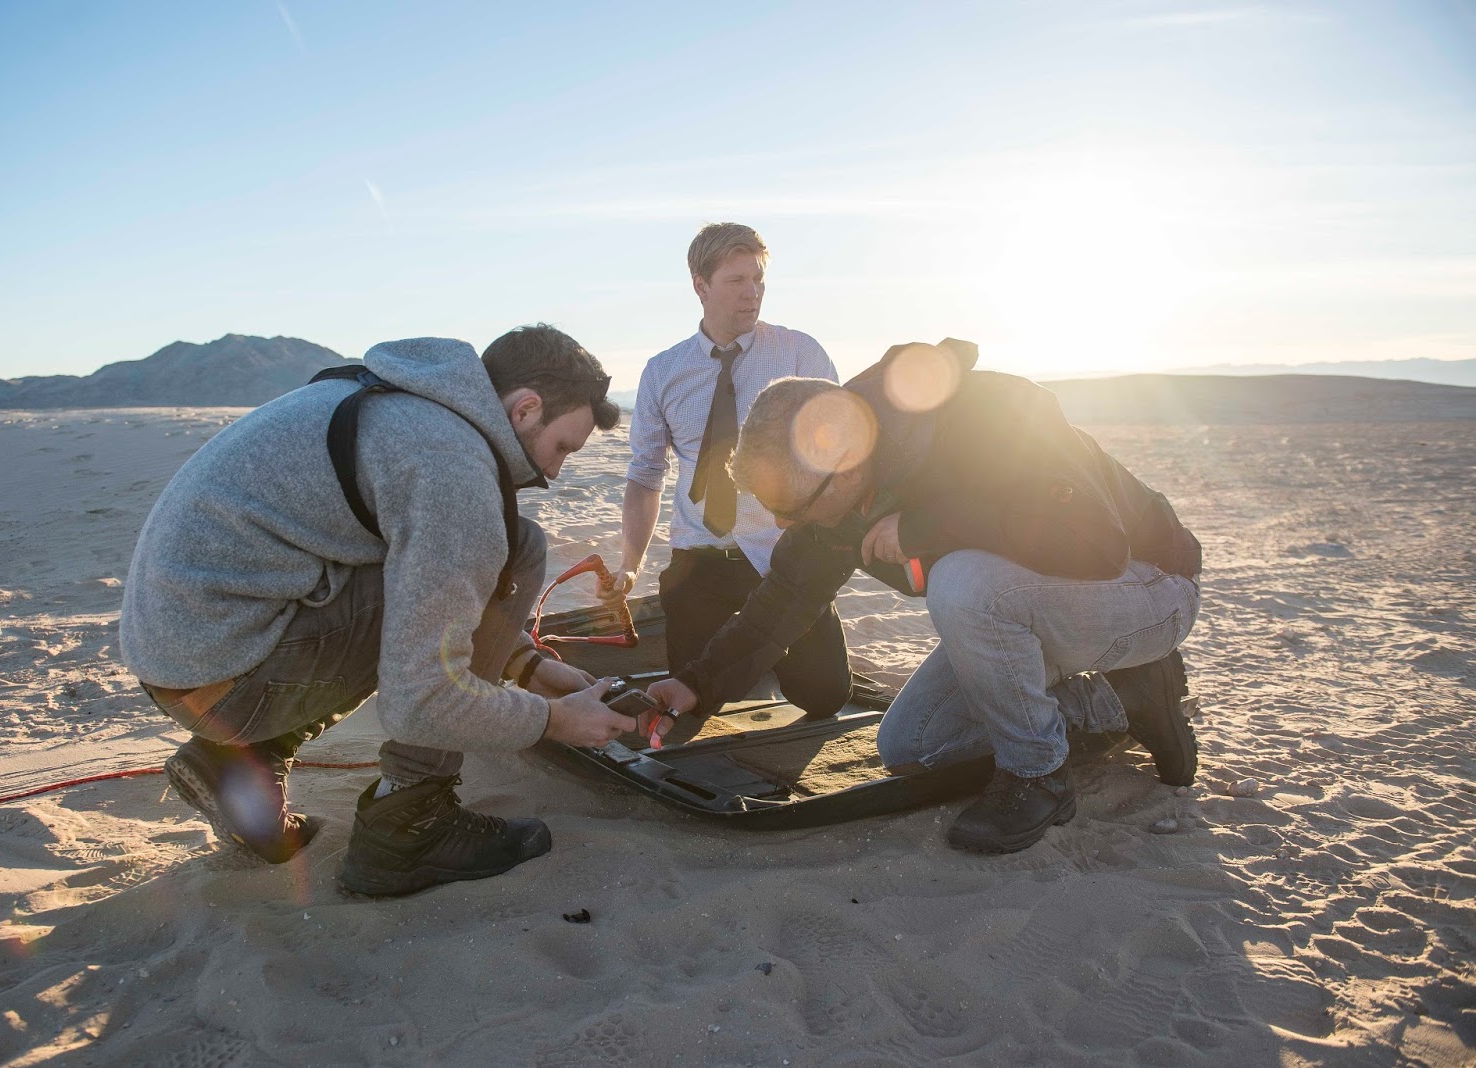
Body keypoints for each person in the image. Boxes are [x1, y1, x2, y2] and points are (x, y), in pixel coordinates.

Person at [120, 325, 636, 896]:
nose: (556, 473)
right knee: (521, 548)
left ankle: (236, 765)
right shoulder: (451, 466)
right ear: (525, 409)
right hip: (231, 675)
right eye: (562, 447)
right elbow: (423, 700)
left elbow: (419, 578)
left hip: (185, 658)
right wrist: (557, 721)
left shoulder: (410, 406)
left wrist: (527, 666)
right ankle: (410, 823)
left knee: (478, 554)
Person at [647, 339, 1202, 854]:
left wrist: (924, 527)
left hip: (1149, 589)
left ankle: (1038, 775)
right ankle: (1123, 696)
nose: (779, 521)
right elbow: (785, 599)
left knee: (964, 583)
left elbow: (1098, 546)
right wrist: (696, 685)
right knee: (912, 746)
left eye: (789, 508)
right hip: (1033, 610)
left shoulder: (994, 415)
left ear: (842, 470)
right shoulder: (835, 497)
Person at [600, 222, 850, 720]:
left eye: (758, 280)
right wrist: (629, 564)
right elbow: (646, 474)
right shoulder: (662, 371)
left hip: (786, 556)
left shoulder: (801, 353)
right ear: (701, 286)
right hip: (700, 558)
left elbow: (842, 458)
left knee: (825, 696)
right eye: (737, 281)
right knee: (694, 704)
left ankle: (767, 651)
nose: (752, 293)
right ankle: (742, 654)